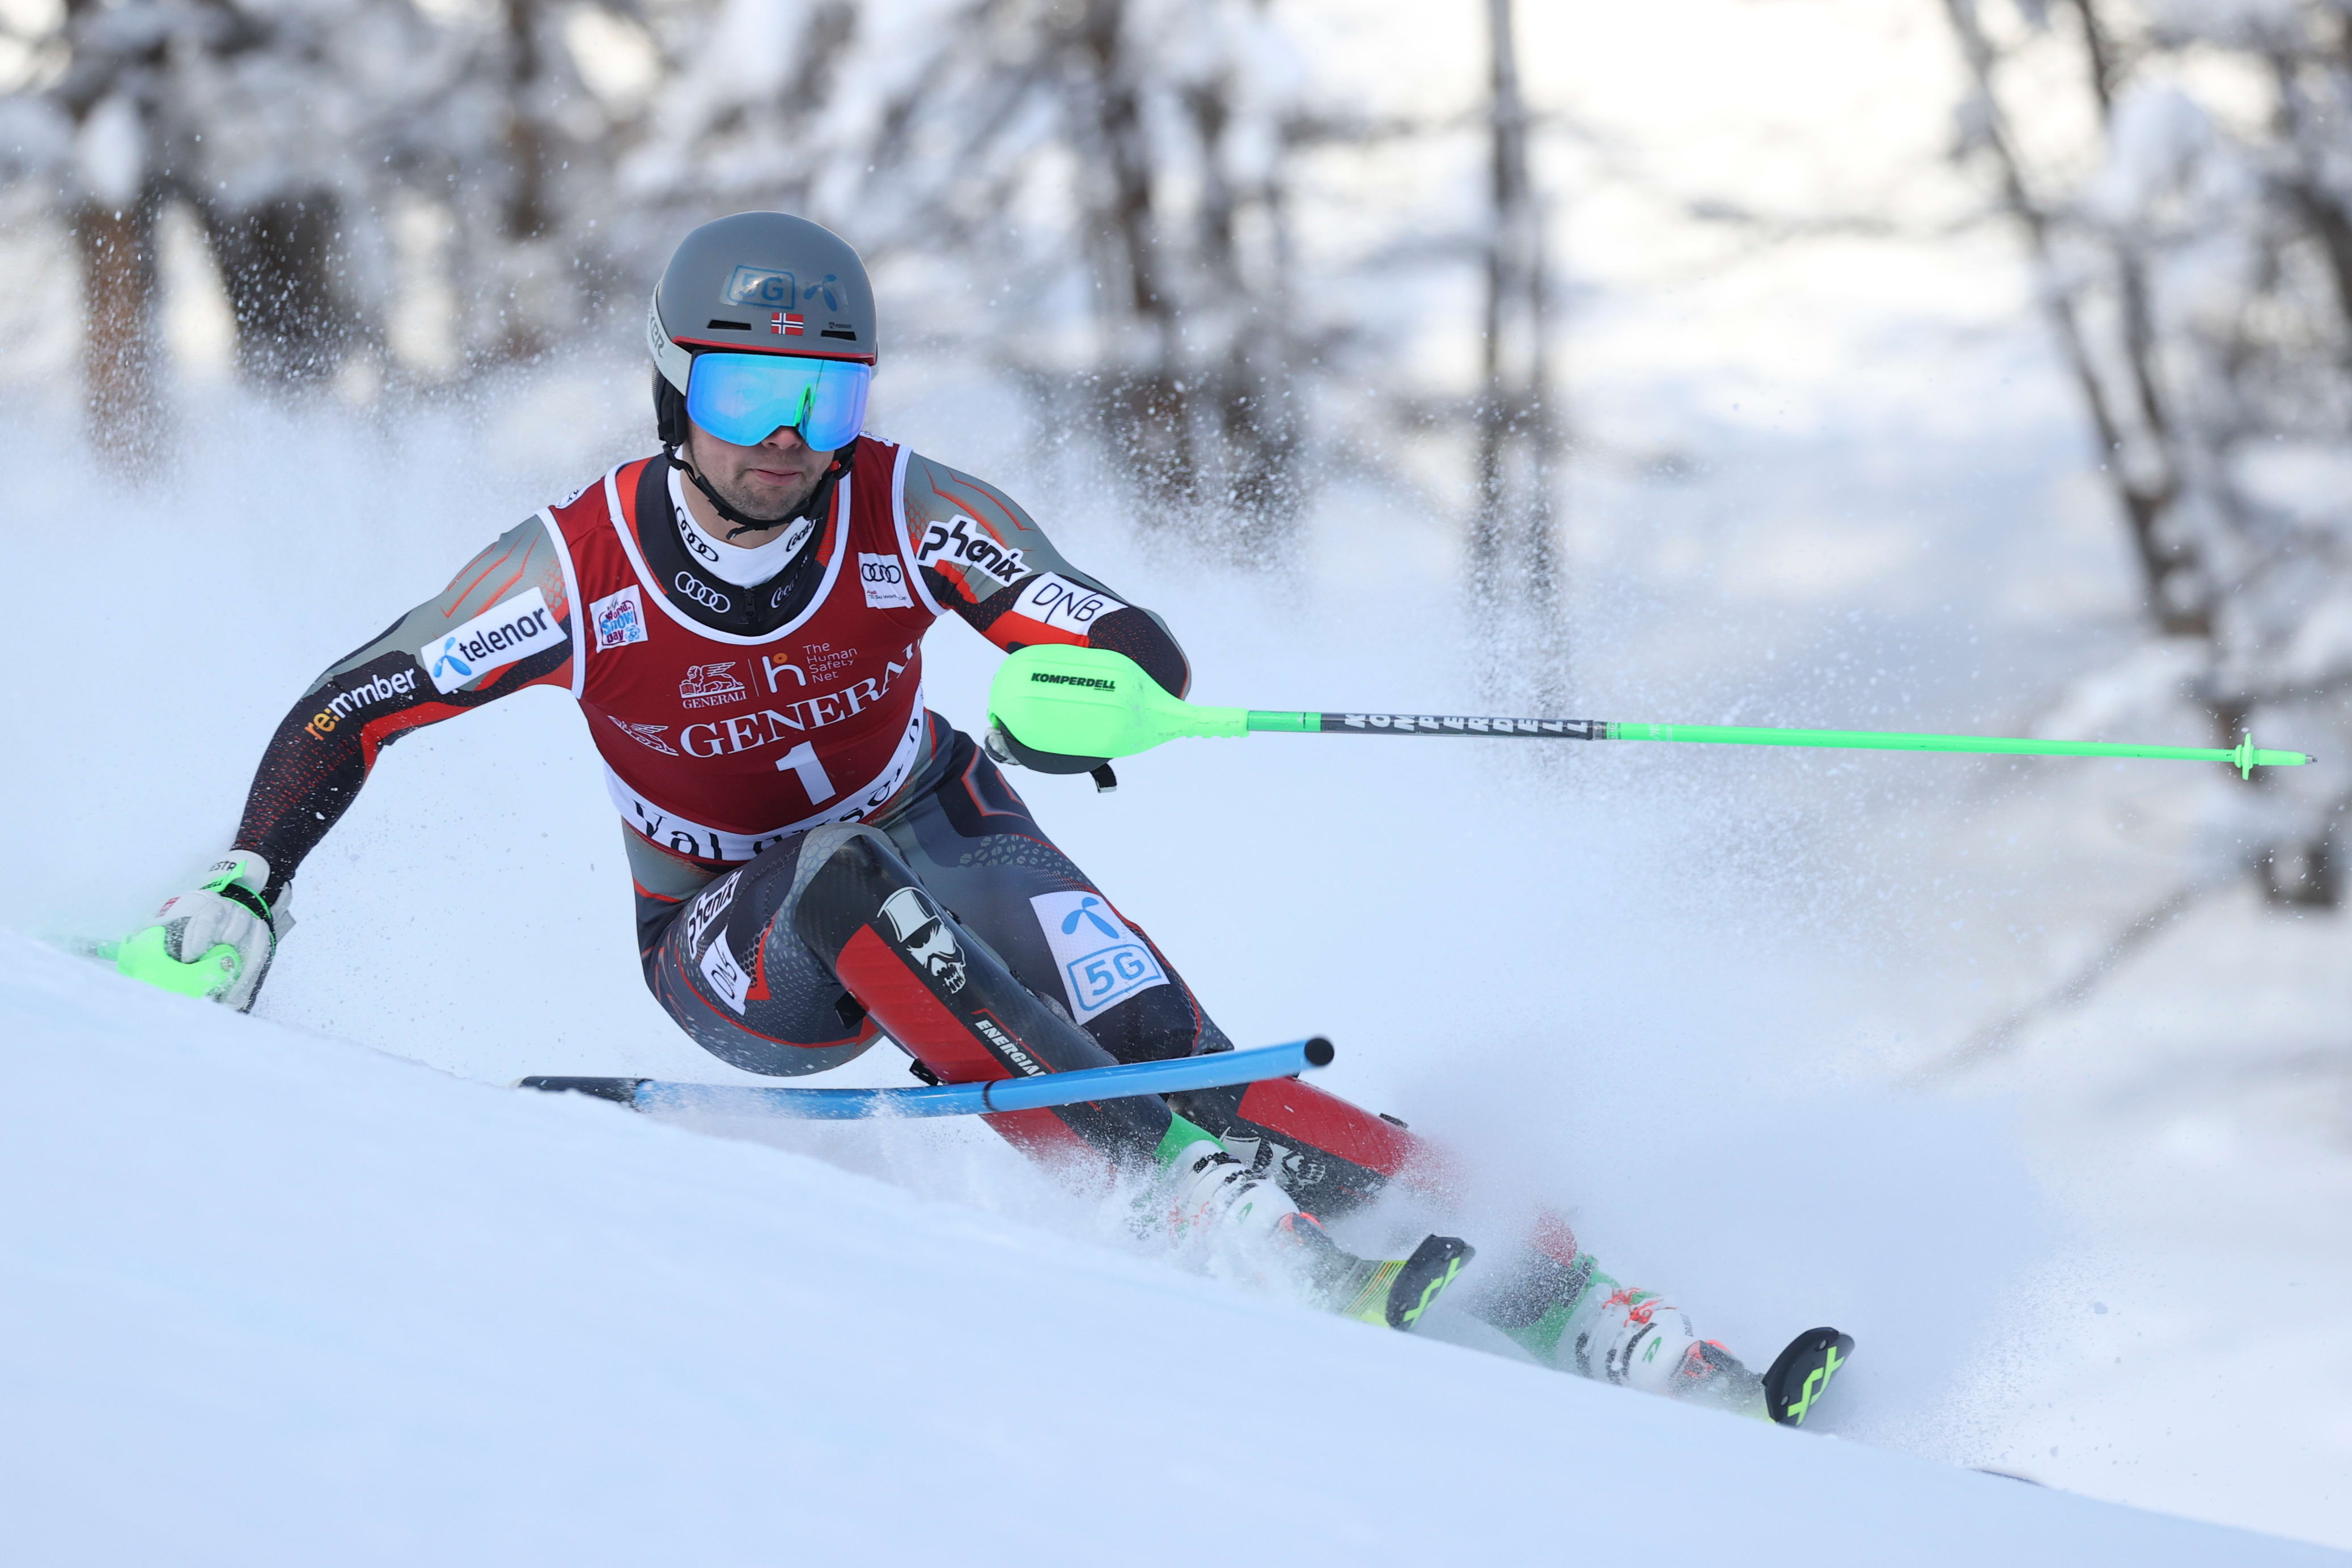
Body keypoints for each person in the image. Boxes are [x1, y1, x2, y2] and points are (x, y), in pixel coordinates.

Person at [118, 211, 1783, 1414]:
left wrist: (1107, 681)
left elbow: (1094, 616)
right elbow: (358, 700)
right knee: (854, 874)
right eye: (745, 399)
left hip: (959, 833)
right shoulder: (579, 571)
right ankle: (1165, 1190)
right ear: (667, 394)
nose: (786, 444)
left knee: (1206, 1061)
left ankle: (1577, 1292)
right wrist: (251, 880)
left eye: (823, 404)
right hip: (733, 941)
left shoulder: (908, 510)